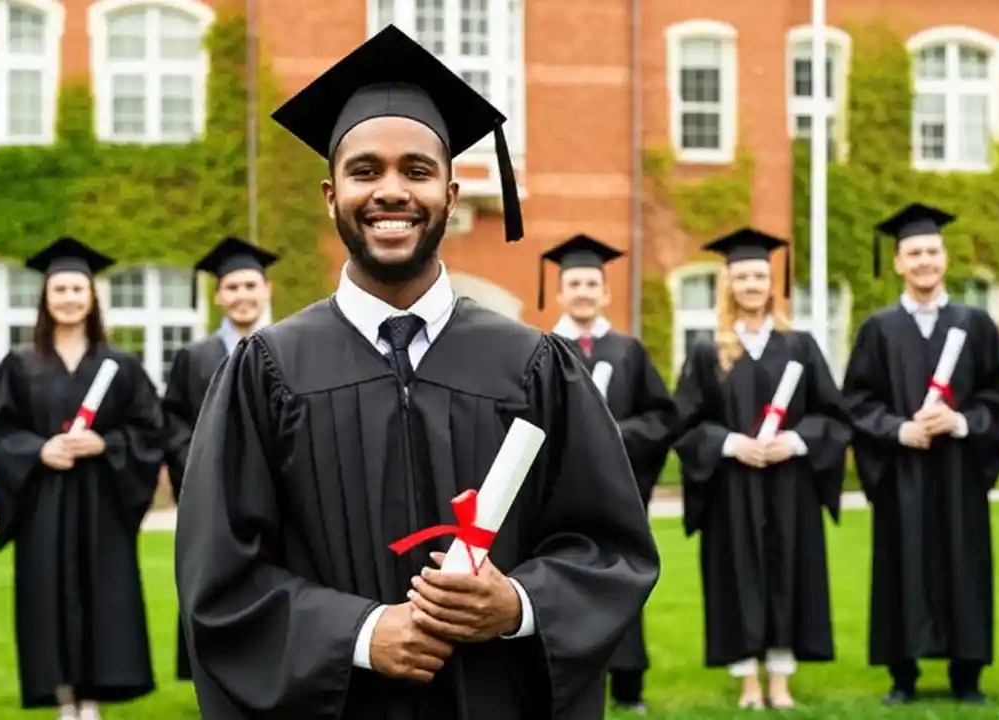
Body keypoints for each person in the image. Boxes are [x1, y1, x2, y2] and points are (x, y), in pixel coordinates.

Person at [173, 24, 660, 720]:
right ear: (329, 194)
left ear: (452, 193)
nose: (392, 191)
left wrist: (517, 605)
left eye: (417, 171)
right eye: (365, 171)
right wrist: (363, 635)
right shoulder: (268, 371)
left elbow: (609, 548)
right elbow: (220, 582)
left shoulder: (533, 365)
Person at [0, 237, 166, 719]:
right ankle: (64, 698)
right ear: (45, 298)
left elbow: (150, 429)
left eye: (77, 289)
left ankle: (92, 699)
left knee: (100, 594)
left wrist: (105, 444)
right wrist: (38, 449)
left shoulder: (120, 367)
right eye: (59, 289)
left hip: (101, 499)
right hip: (45, 500)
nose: (68, 298)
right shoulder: (19, 366)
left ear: (91, 297)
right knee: (49, 596)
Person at [842, 203, 999, 706]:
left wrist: (960, 422)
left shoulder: (975, 324)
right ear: (898, 262)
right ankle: (903, 674)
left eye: (932, 252)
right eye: (914, 253)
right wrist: (896, 430)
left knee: (965, 564)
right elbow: (857, 401)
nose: (924, 261)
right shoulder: (878, 329)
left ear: (945, 258)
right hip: (903, 473)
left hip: (959, 470)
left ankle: (968, 674)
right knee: (902, 565)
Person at [672, 228, 849, 710]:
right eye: (742, 276)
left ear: (773, 284)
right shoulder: (709, 353)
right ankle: (748, 680)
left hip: (789, 485)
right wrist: (731, 445)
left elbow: (832, 414)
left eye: (759, 276)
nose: (751, 284)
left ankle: (780, 680)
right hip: (733, 488)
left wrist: (793, 441)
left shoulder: (801, 346)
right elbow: (685, 424)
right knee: (737, 577)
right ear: (728, 284)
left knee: (789, 574)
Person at [541, 234, 677, 713]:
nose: (583, 291)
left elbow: (661, 416)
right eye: (574, 283)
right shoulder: (541, 351)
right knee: (561, 582)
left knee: (622, 579)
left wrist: (616, 436)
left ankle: (629, 686)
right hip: (559, 493)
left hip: (618, 491)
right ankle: (566, 678)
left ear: (605, 292)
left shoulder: (628, 350)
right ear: (560, 292)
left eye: (591, 283)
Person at [161, 236, 277, 681]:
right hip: (214, 496)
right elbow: (173, 424)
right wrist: (203, 468)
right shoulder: (195, 358)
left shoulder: (290, 346)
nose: (242, 295)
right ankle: (214, 674)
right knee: (213, 575)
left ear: (266, 290)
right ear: (218, 296)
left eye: (250, 285)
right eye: (232, 288)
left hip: (277, 492)